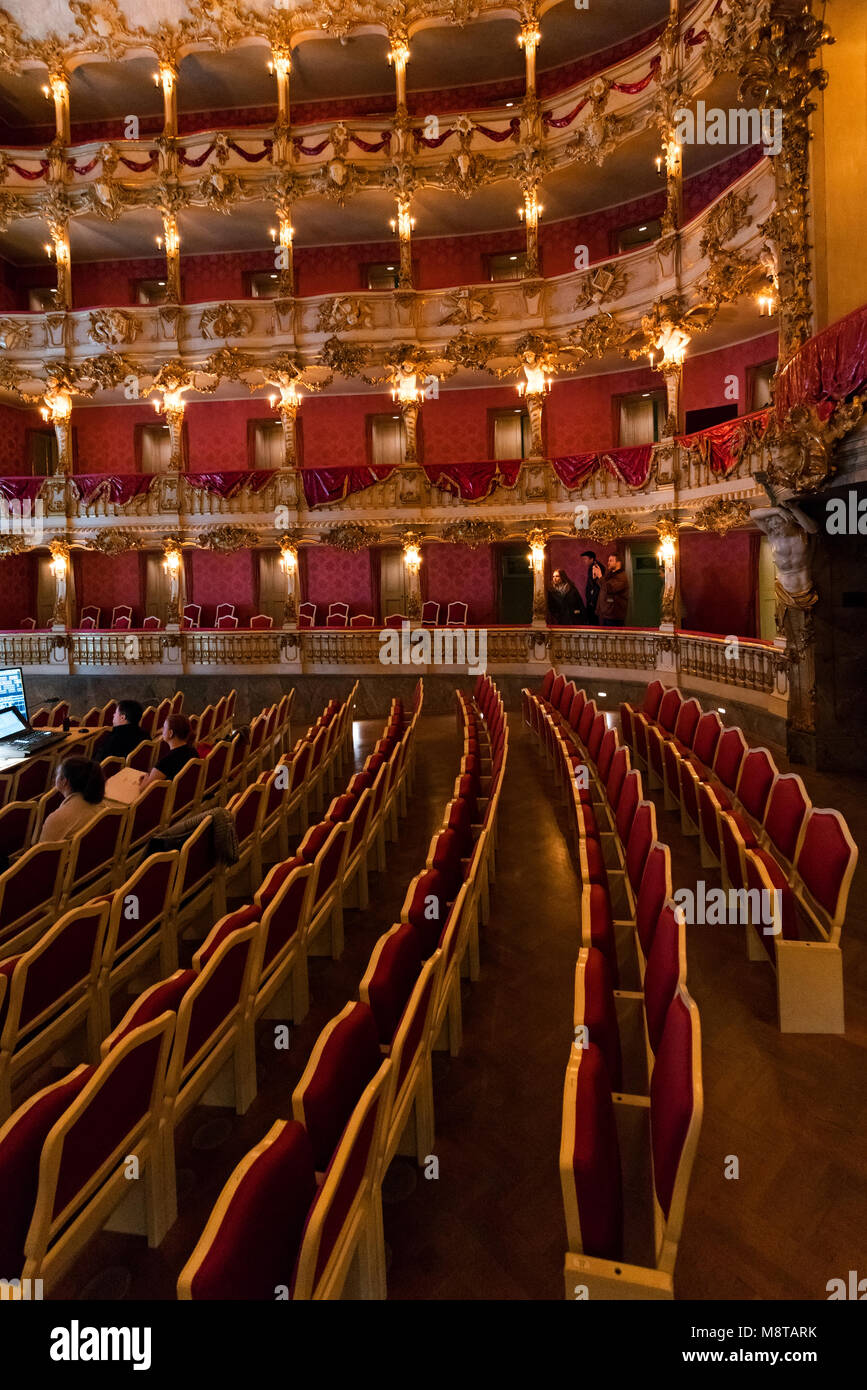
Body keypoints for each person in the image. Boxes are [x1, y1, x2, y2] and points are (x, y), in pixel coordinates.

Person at [38, 756, 106, 843]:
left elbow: (43, 855)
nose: (55, 777)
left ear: (64, 781)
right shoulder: (102, 805)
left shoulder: (56, 819)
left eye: (57, 775)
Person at [145, 713, 199, 784]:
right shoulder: (194, 751)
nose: (162, 731)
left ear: (170, 733)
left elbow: (145, 788)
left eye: (164, 728)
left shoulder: (166, 762)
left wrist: (146, 777)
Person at [597, 554, 630, 627]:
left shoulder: (622, 577)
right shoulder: (610, 575)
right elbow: (603, 586)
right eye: (608, 560)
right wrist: (596, 577)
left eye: (611, 561)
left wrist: (600, 576)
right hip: (606, 614)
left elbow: (609, 588)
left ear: (618, 563)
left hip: (614, 616)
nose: (608, 562)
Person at [581, 551, 600, 624]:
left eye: (585, 559)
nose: (584, 561)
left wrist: (592, 600)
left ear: (591, 559)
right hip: (592, 599)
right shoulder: (593, 566)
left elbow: (596, 586)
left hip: (593, 600)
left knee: (593, 621)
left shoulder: (595, 567)